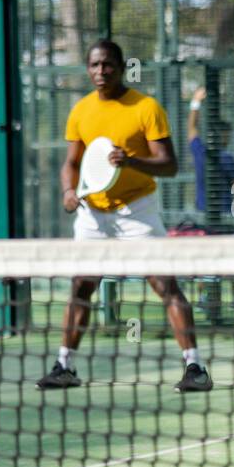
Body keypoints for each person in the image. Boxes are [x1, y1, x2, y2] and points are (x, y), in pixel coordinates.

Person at [37, 39, 213, 393]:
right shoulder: (81, 111)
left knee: (165, 285)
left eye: (107, 65)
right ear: (88, 69)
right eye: (94, 66)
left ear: (121, 66)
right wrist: (69, 192)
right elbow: (72, 163)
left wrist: (131, 160)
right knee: (81, 287)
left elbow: (169, 163)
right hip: (93, 214)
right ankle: (64, 366)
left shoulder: (146, 108)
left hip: (137, 210)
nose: (100, 72)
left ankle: (195, 367)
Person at [185, 86, 234, 224]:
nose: (228, 138)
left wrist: (195, 102)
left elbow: (191, 129)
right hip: (225, 215)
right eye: (226, 134)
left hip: (202, 213)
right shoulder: (227, 158)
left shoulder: (200, 152)